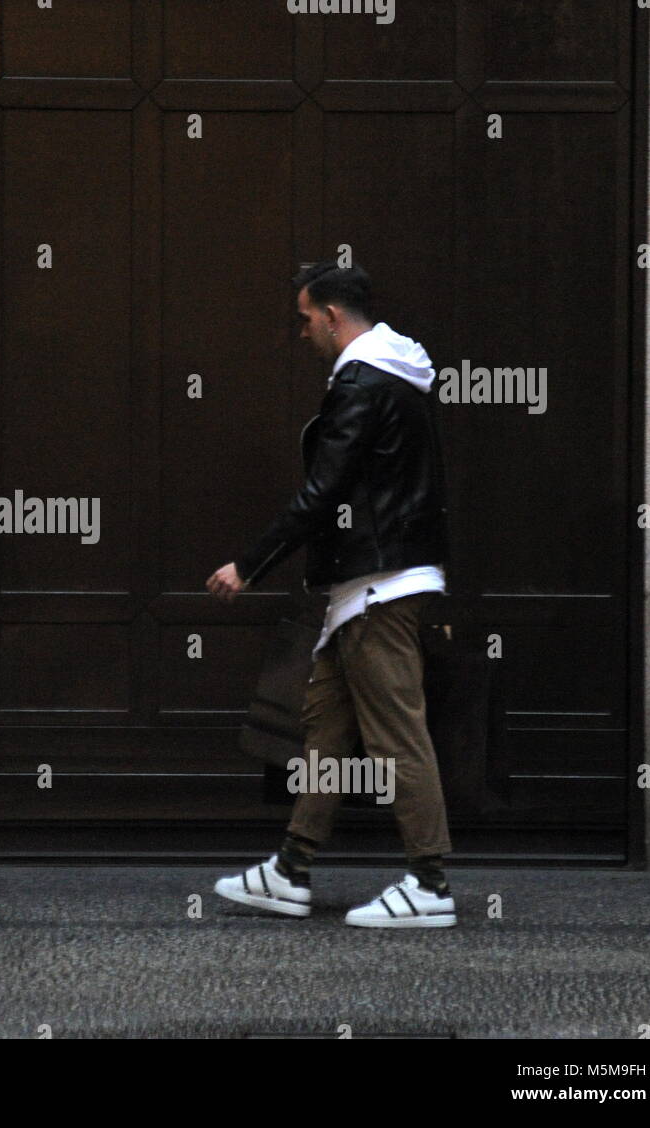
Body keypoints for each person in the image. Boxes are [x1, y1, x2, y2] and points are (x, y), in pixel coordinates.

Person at [205, 261, 455, 928]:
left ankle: (430, 885)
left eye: (306, 319)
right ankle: (290, 870)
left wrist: (249, 564)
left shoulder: (364, 382)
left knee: (397, 738)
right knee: (325, 730)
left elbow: (324, 493)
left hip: (382, 586)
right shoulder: (391, 376)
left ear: (334, 317)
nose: (303, 331)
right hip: (369, 585)